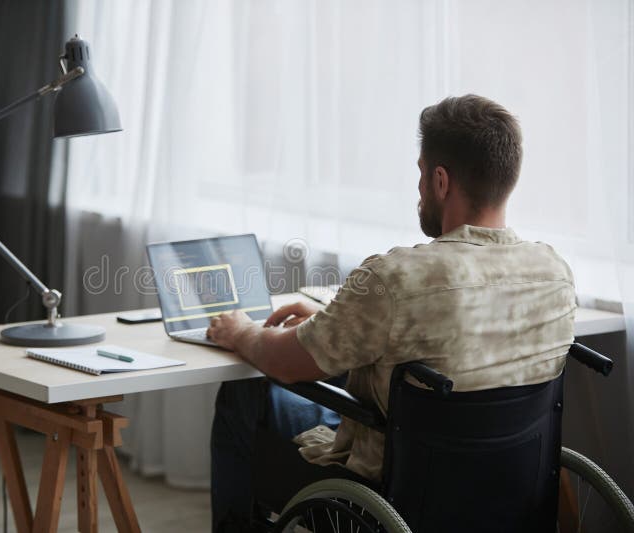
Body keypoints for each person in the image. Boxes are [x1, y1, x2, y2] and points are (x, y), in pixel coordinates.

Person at [206, 94, 577, 531]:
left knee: (244, 391)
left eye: (421, 175)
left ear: (441, 180)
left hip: (392, 496)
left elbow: (284, 362)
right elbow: (464, 348)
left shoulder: (395, 278)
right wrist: (329, 320)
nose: (419, 189)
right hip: (507, 485)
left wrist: (241, 332)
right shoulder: (554, 273)